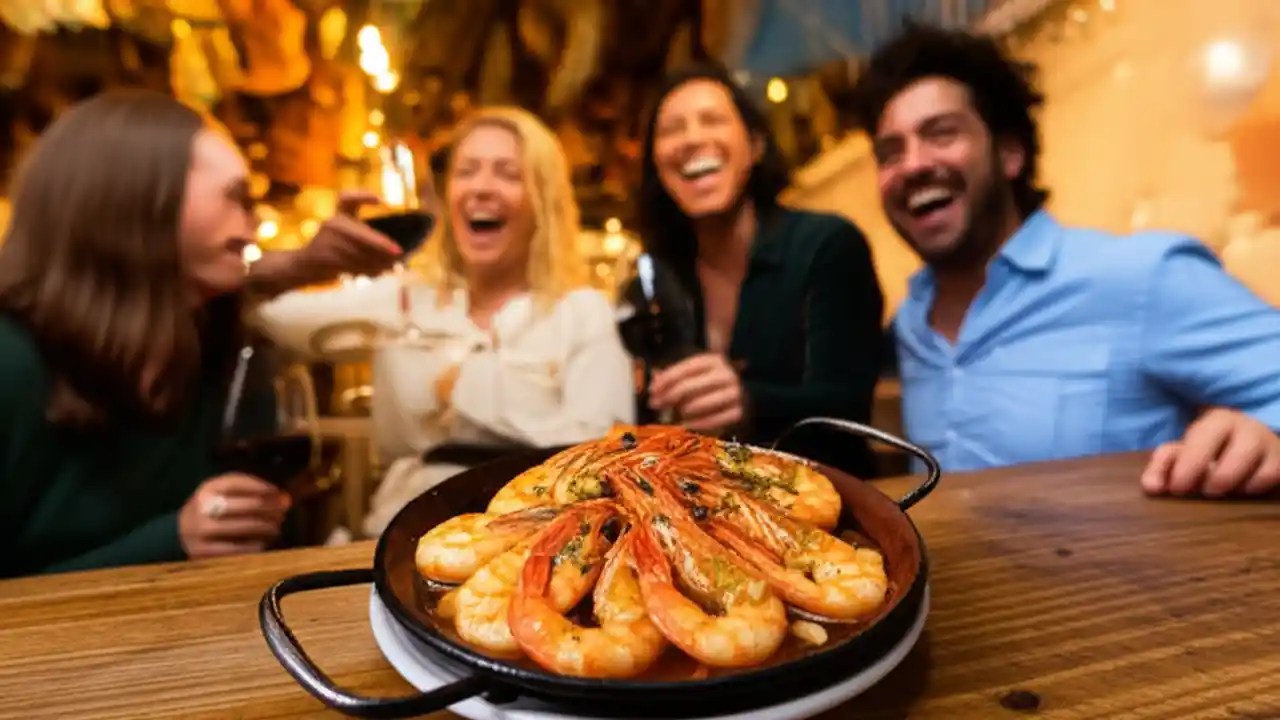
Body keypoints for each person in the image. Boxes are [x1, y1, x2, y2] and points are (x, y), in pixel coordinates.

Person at [851, 24, 1280, 497]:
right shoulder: (911, 323)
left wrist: (1260, 435)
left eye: (942, 133)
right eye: (890, 152)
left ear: (1010, 154)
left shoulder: (1140, 276)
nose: (912, 165)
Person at [0, 90, 402, 577]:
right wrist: (171, 541)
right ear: (138, 197)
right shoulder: (14, 361)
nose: (253, 226)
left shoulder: (225, 347)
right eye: (237, 197)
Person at [255, 106, 635, 537]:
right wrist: (305, 263)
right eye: (466, 171)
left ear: (542, 200)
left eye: (508, 173)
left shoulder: (583, 312)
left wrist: (462, 388)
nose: (481, 188)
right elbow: (264, 318)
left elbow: (609, 451)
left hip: (538, 535)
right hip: (399, 529)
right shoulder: (403, 299)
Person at [635, 64, 885, 478]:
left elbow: (849, 404)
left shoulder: (826, 245)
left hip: (827, 502)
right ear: (657, 168)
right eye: (672, 129)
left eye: (712, 120)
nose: (693, 138)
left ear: (754, 145)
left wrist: (749, 403)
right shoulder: (655, 282)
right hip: (701, 509)